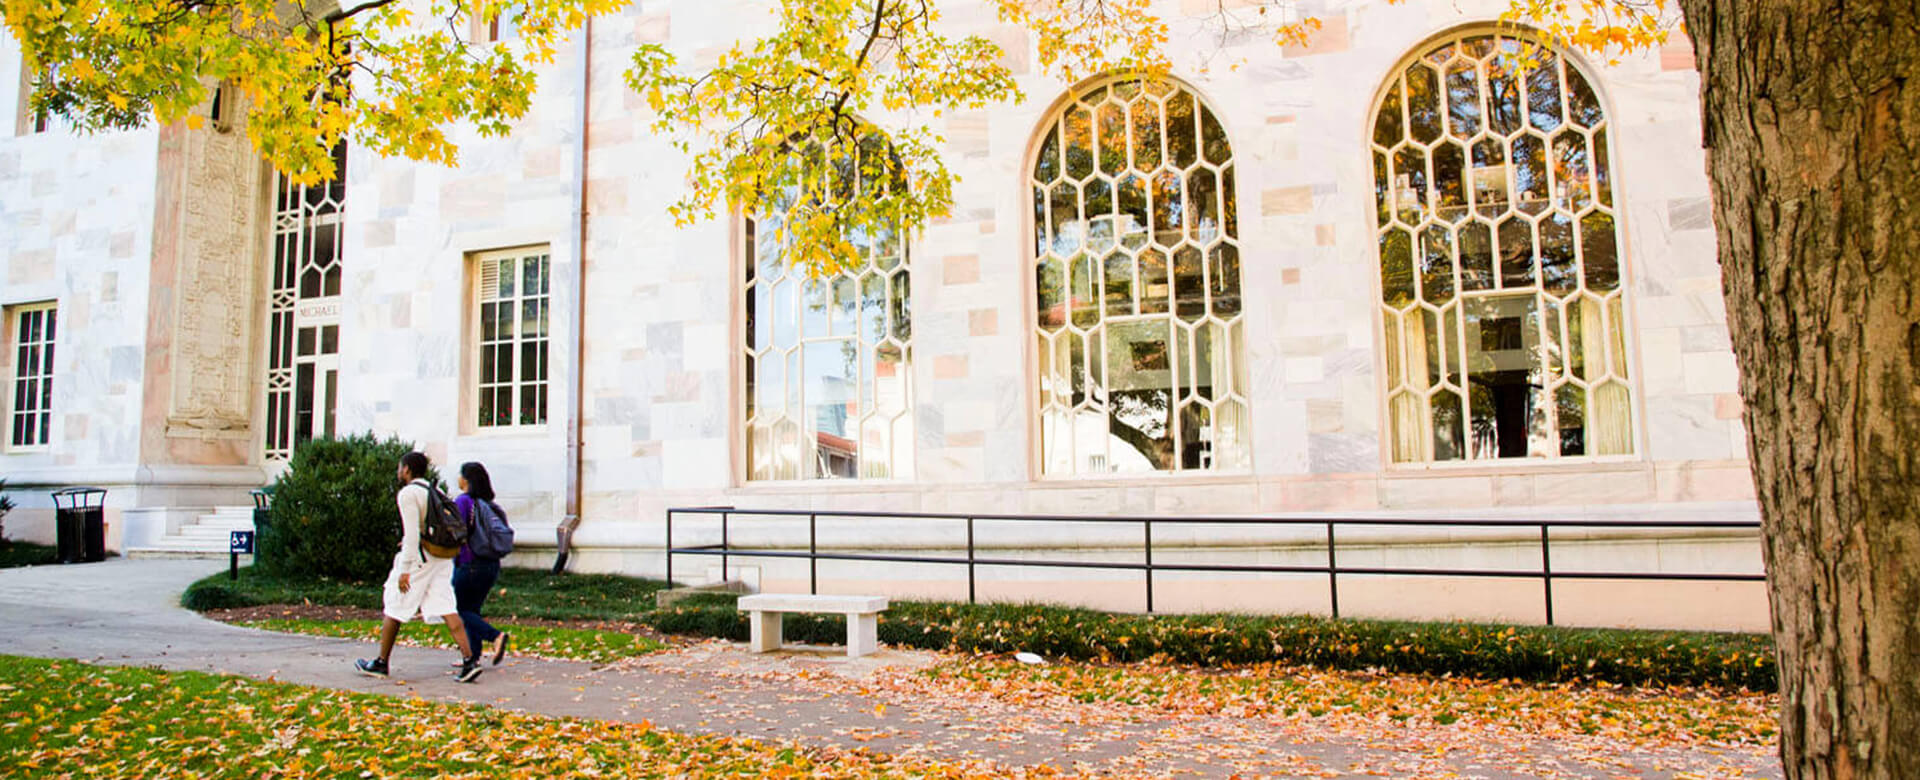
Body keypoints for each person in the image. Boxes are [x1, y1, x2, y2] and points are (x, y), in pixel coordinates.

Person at [355, 451, 482, 683]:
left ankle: (381, 662)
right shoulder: (435, 491)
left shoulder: (408, 494)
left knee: (395, 603)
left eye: (400, 467)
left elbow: (412, 534)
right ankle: (469, 660)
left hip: (420, 558)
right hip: (441, 557)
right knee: (447, 606)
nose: (398, 471)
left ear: (407, 470)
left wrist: (405, 569)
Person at [452, 461, 511, 666]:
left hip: (469, 564)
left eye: (460, 475)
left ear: (466, 480)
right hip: (490, 565)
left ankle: (494, 636)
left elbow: (456, 533)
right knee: (472, 609)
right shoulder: (490, 505)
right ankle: (472, 657)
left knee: (458, 609)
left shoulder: (464, 501)